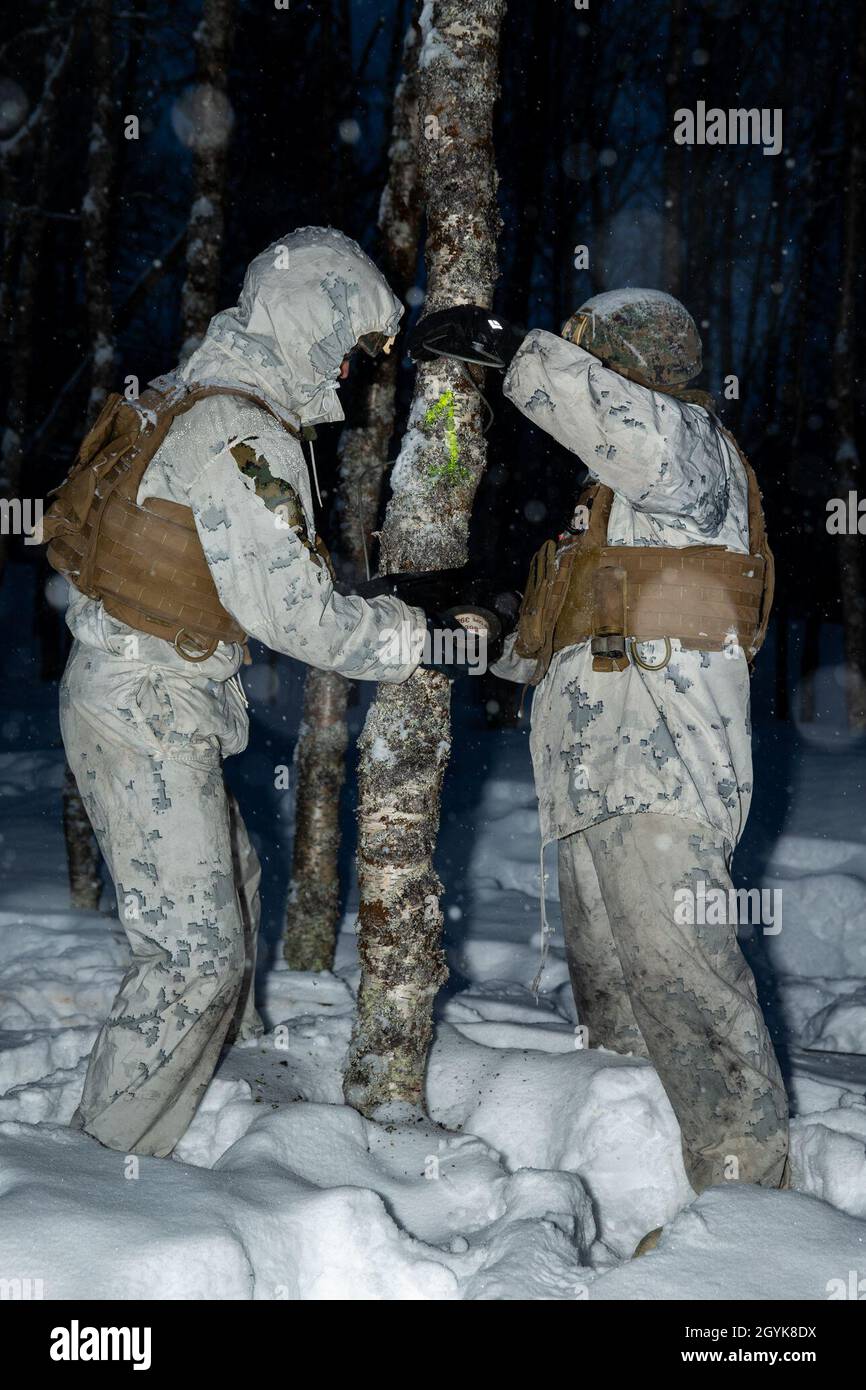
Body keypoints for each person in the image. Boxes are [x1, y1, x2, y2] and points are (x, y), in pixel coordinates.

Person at [43, 227, 475, 1157]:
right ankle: (97, 1167)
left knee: (227, 886)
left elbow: (250, 565)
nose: (358, 374)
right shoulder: (242, 431)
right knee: (197, 957)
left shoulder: (199, 392)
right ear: (310, 323)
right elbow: (294, 615)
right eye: (353, 348)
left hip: (142, 691)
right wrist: (419, 639)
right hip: (144, 704)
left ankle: (214, 1086)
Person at [407, 292, 790, 1241]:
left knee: (689, 988)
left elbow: (630, 431)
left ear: (627, 367)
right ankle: (642, 1192)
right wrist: (450, 616)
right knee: (616, 1011)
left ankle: (749, 1223)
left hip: (667, 778)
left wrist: (517, 352)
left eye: (596, 362)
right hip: (590, 788)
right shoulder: (605, 517)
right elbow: (535, 651)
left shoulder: (691, 453)